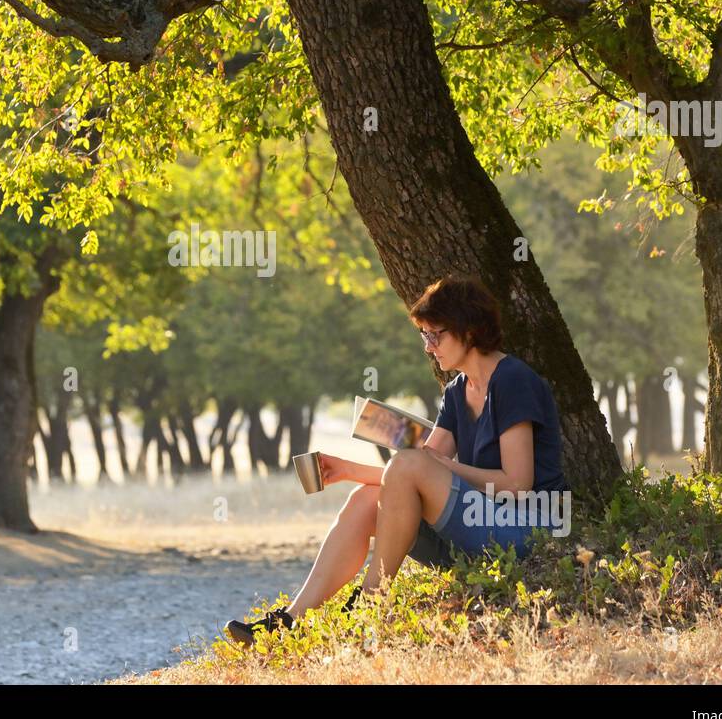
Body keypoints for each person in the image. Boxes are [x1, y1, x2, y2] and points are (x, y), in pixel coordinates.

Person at [226, 274, 569, 646]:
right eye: (425, 336)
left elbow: (517, 483)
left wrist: (443, 466)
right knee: (364, 499)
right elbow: (412, 475)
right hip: (475, 526)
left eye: (435, 335)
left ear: (468, 330)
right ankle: (290, 622)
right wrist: (347, 470)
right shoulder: (458, 391)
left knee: (411, 463)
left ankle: (372, 606)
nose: (429, 347)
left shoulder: (512, 380)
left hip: (528, 530)